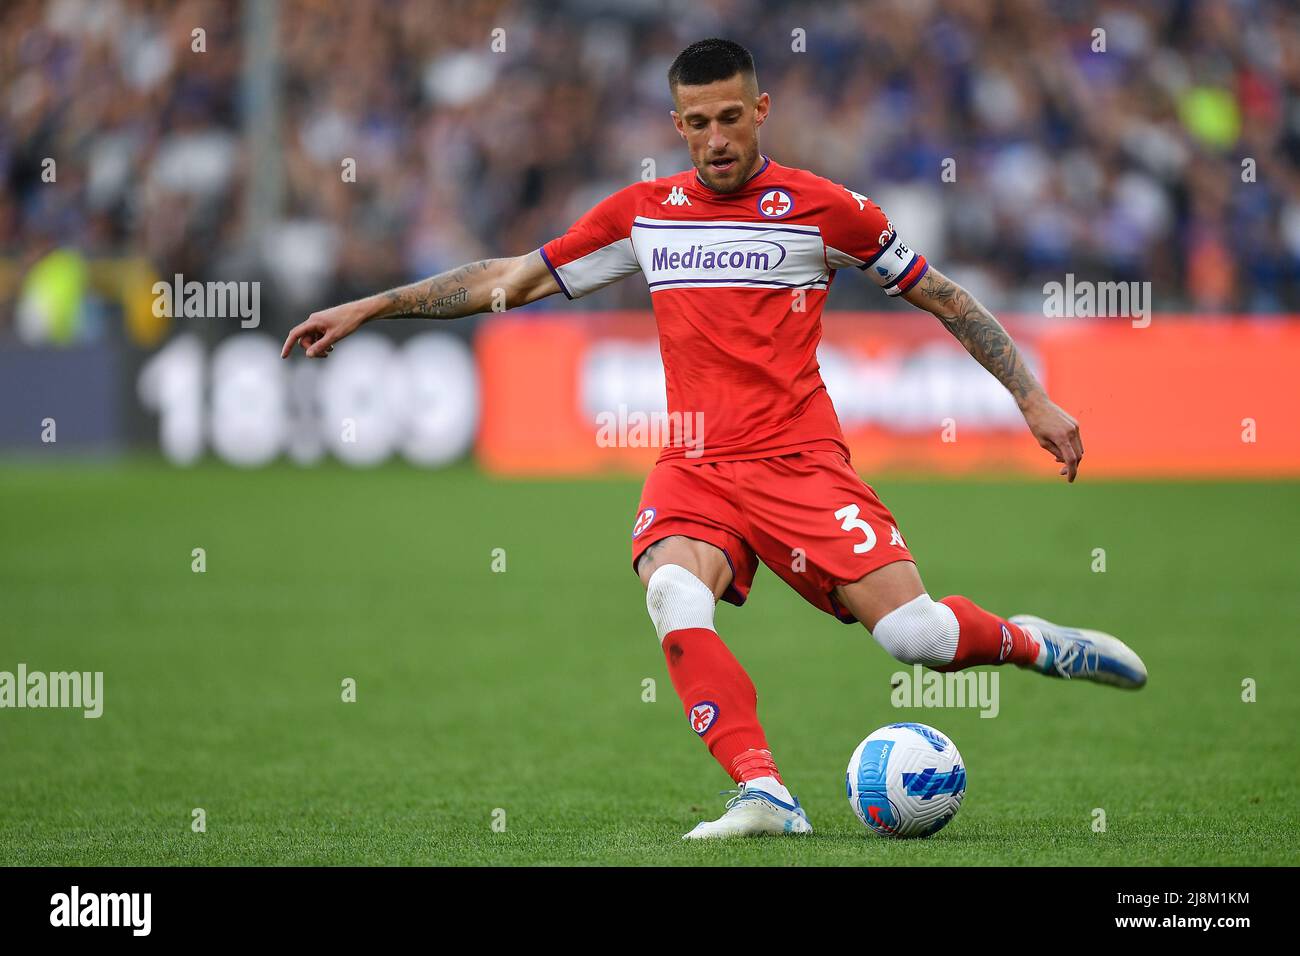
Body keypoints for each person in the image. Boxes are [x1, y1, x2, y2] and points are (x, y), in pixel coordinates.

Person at [282, 38, 1147, 840]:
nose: (715, 139)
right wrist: (374, 304)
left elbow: (945, 297)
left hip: (801, 464)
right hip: (694, 465)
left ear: (761, 110)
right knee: (671, 594)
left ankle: (1035, 642)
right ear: (676, 126)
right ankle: (763, 790)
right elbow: (506, 279)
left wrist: (1033, 399)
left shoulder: (826, 210)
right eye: (696, 123)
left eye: (730, 118)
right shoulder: (644, 216)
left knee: (916, 640)